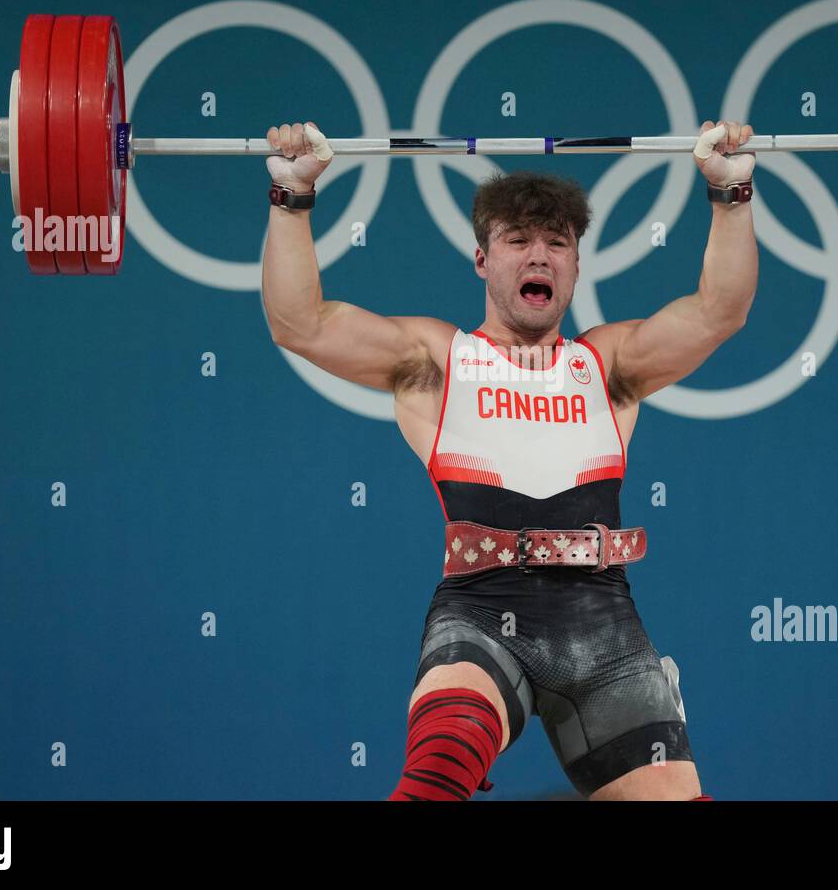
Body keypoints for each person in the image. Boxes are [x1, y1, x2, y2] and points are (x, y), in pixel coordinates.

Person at [262, 119, 757, 800]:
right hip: (480, 613)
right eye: (518, 241)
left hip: (604, 628)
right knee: (436, 774)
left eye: (558, 244)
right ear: (482, 260)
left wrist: (730, 195)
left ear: (577, 267)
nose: (540, 257)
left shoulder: (608, 365)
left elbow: (717, 313)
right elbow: (300, 323)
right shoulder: (436, 362)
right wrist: (292, 196)